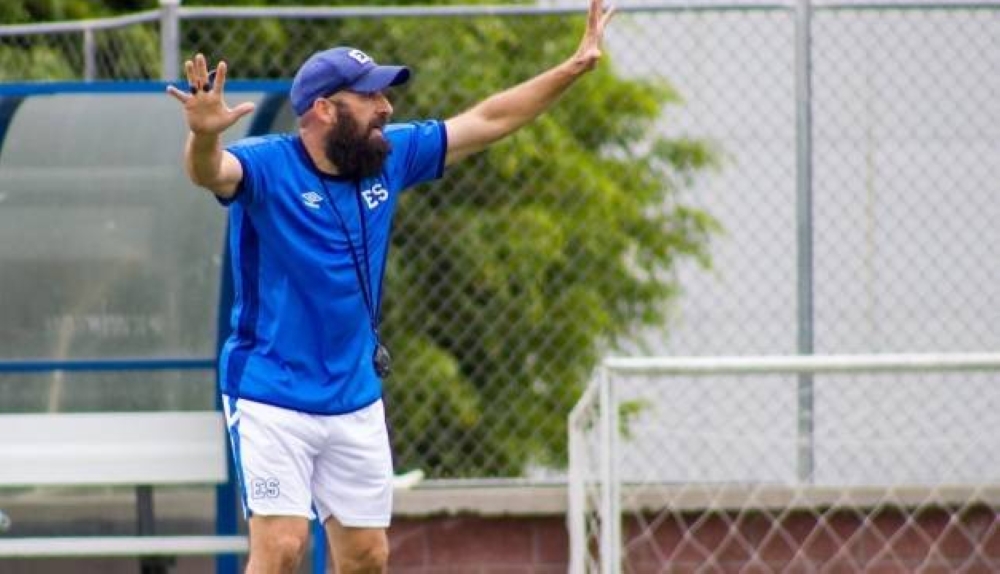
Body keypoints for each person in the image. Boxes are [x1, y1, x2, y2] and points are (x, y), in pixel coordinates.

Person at [166, 1, 614, 572]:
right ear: (325, 109)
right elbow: (210, 172)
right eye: (371, 97)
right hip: (270, 392)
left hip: (354, 395)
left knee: (366, 557)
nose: (387, 107)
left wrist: (573, 67)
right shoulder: (268, 165)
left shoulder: (390, 158)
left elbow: (490, 120)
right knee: (280, 549)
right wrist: (203, 137)